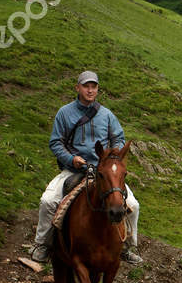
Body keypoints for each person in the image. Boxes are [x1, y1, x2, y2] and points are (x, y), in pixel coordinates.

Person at [30, 70, 142, 264]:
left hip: (103, 172)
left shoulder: (107, 115)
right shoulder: (64, 113)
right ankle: (42, 245)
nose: (90, 90)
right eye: (86, 86)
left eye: (93, 87)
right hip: (74, 170)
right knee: (48, 201)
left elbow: (119, 138)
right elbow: (56, 142)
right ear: (78, 88)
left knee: (133, 205)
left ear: (97, 89)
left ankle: (126, 247)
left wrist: (110, 157)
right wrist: (71, 159)